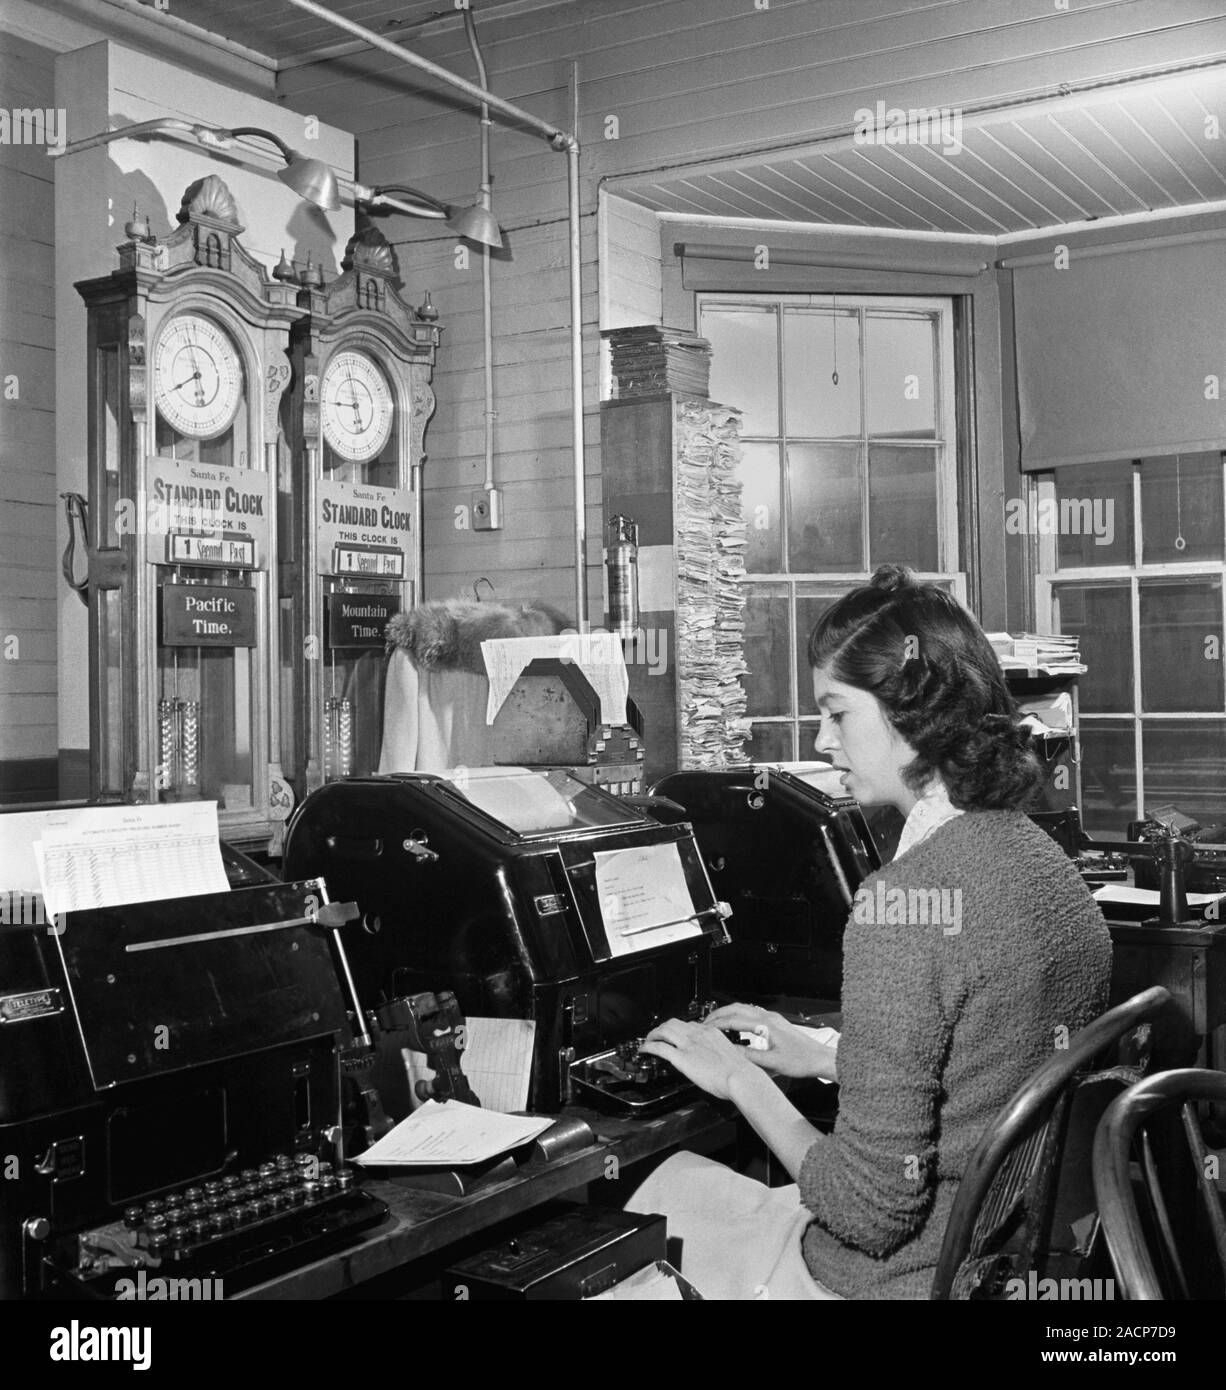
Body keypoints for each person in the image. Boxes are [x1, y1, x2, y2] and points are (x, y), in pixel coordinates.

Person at [629, 564, 1113, 1299]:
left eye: (838, 713)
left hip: (900, 1277)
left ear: (911, 715)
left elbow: (868, 1211)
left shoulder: (900, 902)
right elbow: (987, 1066)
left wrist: (740, 1080)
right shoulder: (1045, 864)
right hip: (1005, 1252)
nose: (824, 741)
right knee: (676, 1189)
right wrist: (823, 1056)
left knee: (638, 1214)